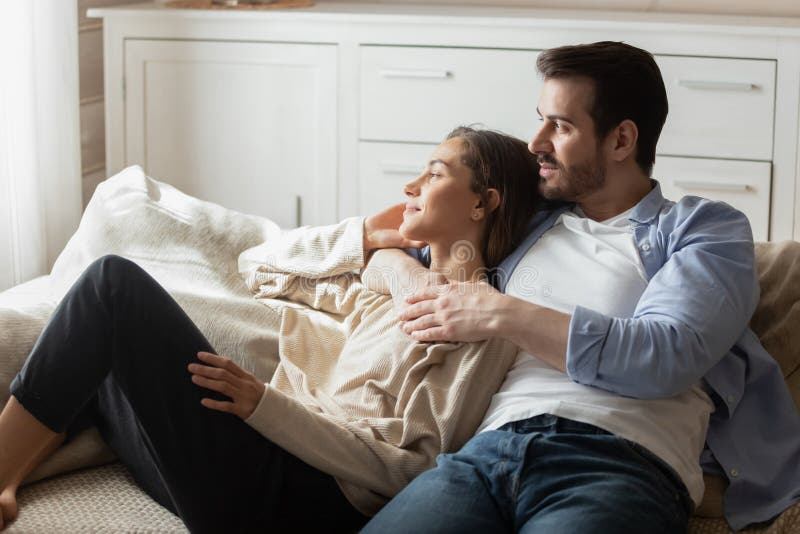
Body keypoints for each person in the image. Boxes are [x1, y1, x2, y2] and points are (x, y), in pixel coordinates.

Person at [0, 126, 540, 532]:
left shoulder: (487, 323)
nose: (411, 184)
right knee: (100, 353)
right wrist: (372, 244)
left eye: (436, 172)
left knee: (111, 286)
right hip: (257, 468)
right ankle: (11, 478)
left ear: (483, 202)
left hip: (304, 499)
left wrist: (265, 406)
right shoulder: (384, 286)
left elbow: (411, 468)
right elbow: (259, 266)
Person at [361, 42, 800, 533]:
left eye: (561, 126)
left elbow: (665, 355)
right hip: (485, 454)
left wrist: (501, 312)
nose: (535, 143)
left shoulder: (702, 230)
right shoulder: (526, 221)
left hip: (618, 464)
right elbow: (389, 247)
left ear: (621, 141)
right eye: (541, 119)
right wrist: (410, 279)